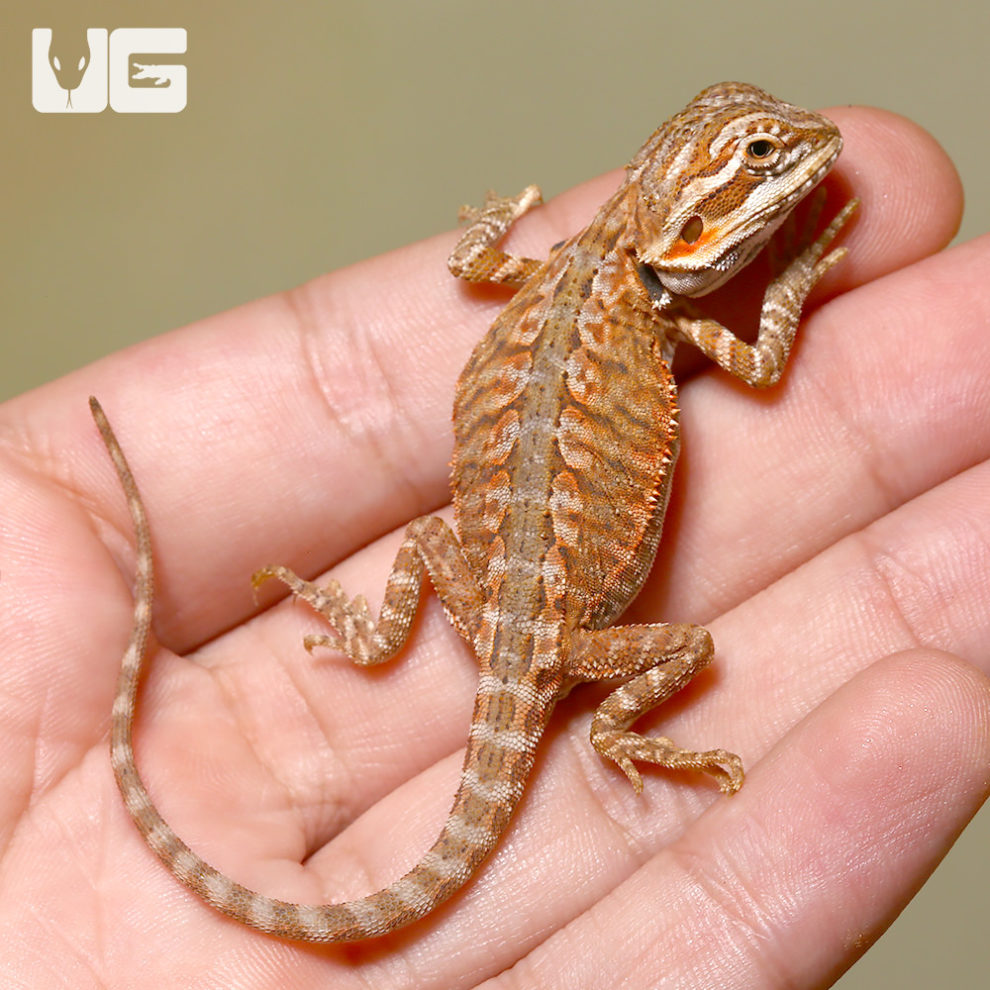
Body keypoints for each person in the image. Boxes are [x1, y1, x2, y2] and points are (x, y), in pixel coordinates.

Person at [1, 101, 987, 988]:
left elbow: (475, 264)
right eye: (762, 158)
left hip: (501, 608)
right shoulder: (651, 309)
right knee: (690, 649)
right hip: (566, 640)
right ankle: (612, 729)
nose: (797, 160)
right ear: (689, 228)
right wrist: (796, 272)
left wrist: (490, 226)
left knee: (437, 540)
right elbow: (765, 361)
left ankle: (382, 640)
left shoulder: (571, 273)